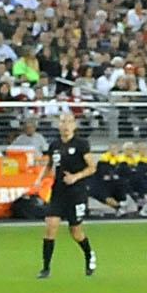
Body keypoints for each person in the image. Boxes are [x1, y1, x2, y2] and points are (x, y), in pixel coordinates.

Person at [40, 110, 97, 279]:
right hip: (58, 192)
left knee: (76, 232)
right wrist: (41, 180)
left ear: (74, 125)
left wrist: (75, 177)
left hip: (76, 192)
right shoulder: (54, 145)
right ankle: (45, 268)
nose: (65, 125)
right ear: (58, 125)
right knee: (51, 226)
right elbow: (50, 165)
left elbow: (92, 167)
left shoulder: (81, 144)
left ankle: (89, 254)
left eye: (69, 122)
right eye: (63, 122)